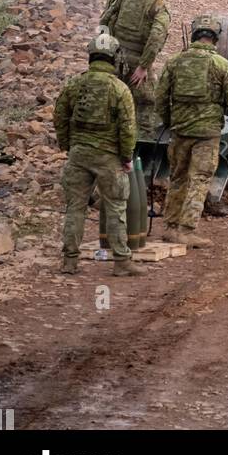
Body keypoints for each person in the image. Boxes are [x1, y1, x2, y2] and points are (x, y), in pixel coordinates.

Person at [54, 28, 144, 276]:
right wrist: (126, 158)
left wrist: (68, 145)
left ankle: (70, 261)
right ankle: (122, 262)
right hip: (109, 158)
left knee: (75, 208)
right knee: (116, 207)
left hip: (79, 155)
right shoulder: (120, 89)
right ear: (115, 58)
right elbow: (127, 129)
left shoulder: (75, 84)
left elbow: (60, 115)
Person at [155, 14, 228, 248]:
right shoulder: (221, 65)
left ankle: (169, 227)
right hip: (206, 134)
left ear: (195, 34)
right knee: (200, 179)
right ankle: (186, 230)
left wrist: (169, 121)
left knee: (177, 178)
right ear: (215, 37)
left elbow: (160, 98)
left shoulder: (175, 62)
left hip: (179, 131)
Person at [99, 0, 174, 141]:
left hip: (114, 57)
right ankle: (140, 147)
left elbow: (104, 22)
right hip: (137, 63)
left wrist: (105, 53)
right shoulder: (158, 4)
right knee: (147, 104)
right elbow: (156, 36)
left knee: (113, 100)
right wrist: (143, 66)